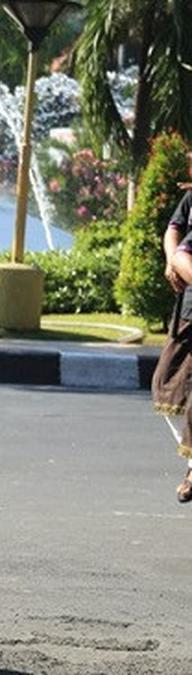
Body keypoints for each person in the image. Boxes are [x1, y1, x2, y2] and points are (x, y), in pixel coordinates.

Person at [153, 150, 192, 503]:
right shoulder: (191, 197)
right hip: (189, 313)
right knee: (167, 381)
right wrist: (172, 261)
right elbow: (177, 239)